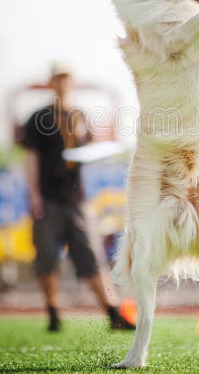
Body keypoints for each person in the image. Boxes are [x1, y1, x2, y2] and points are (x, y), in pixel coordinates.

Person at [19, 62, 134, 332]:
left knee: (91, 256)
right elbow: (31, 158)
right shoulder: (38, 117)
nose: (63, 83)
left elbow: (89, 146)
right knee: (47, 257)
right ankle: (53, 310)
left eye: (67, 78)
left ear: (73, 82)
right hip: (48, 197)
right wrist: (34, 194)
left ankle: (112, 311)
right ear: (51, 83)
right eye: (58, 78)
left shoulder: (80, 115)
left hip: (76, 199)